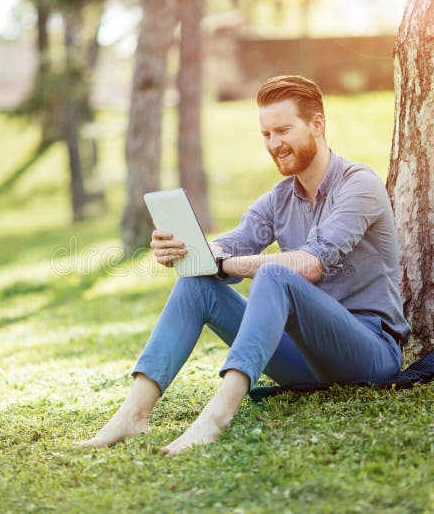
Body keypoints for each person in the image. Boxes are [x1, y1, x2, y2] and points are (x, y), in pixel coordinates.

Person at [75, 75, 411, 455]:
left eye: (283, 130)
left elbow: (310, 264)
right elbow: (231, 243)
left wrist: (225, 263)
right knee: (197, 283)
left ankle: (217, 417)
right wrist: (187, 250)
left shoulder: (359, 185)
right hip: (305, 362)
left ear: (317, 124)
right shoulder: (280, 199)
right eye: (266, 134)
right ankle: (133, 414)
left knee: (275, 273)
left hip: (369, 354)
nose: (273, 144)